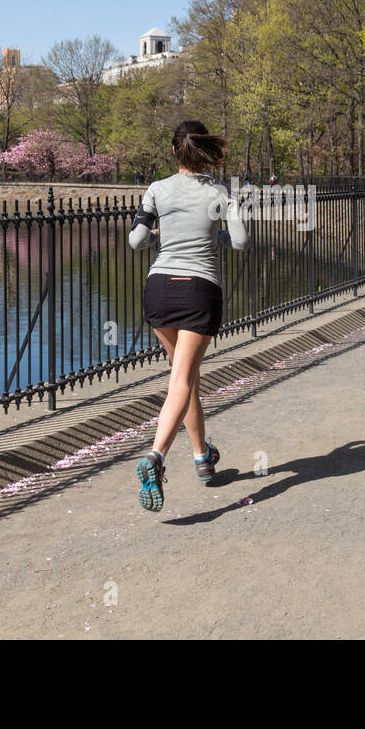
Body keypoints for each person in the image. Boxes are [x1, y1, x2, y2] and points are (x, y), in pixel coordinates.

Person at [128, 120, 251, 511]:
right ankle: (157, 457)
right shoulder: (218, 191)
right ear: (204, 150)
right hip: (199, 289)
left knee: (186, 378)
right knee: (182, 378)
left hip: (159, 288)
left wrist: (158, 236)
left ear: (175, 152)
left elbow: (135, 241)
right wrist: (217, 235)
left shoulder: (156, 189)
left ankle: (202, 458)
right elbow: (241, 241)